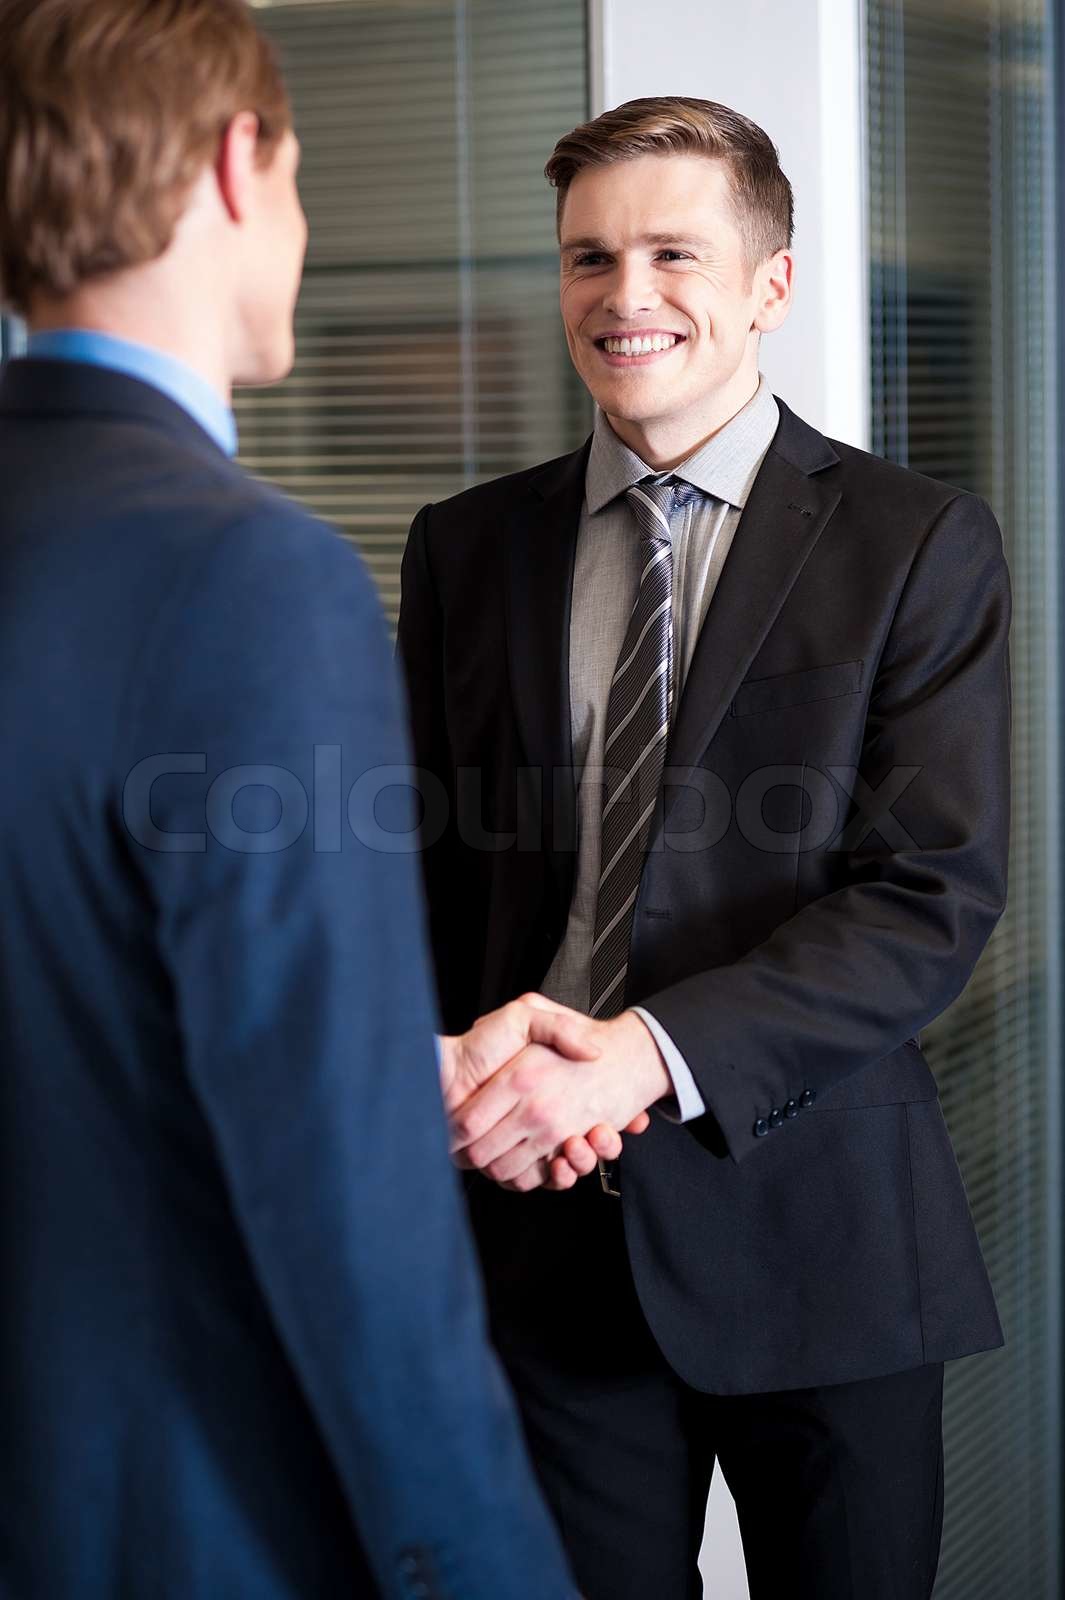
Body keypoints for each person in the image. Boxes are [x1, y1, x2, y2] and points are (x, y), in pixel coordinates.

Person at [0, 2, 616, 1594]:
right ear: (236, 162)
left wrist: (389, 1065)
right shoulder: (249, 576)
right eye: (298, 176)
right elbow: (350, 1217)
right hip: (170, 1514)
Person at [398, 97, 1010, 1599]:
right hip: (541, 1236)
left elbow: (925, 896)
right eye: (588, 257)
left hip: (819, 1229)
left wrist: (640, 1057)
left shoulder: (914, 541)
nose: (626, 295)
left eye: (674, 252)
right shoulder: (466, 547)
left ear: (769, 284)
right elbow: (426, 867)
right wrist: (451, 1070)